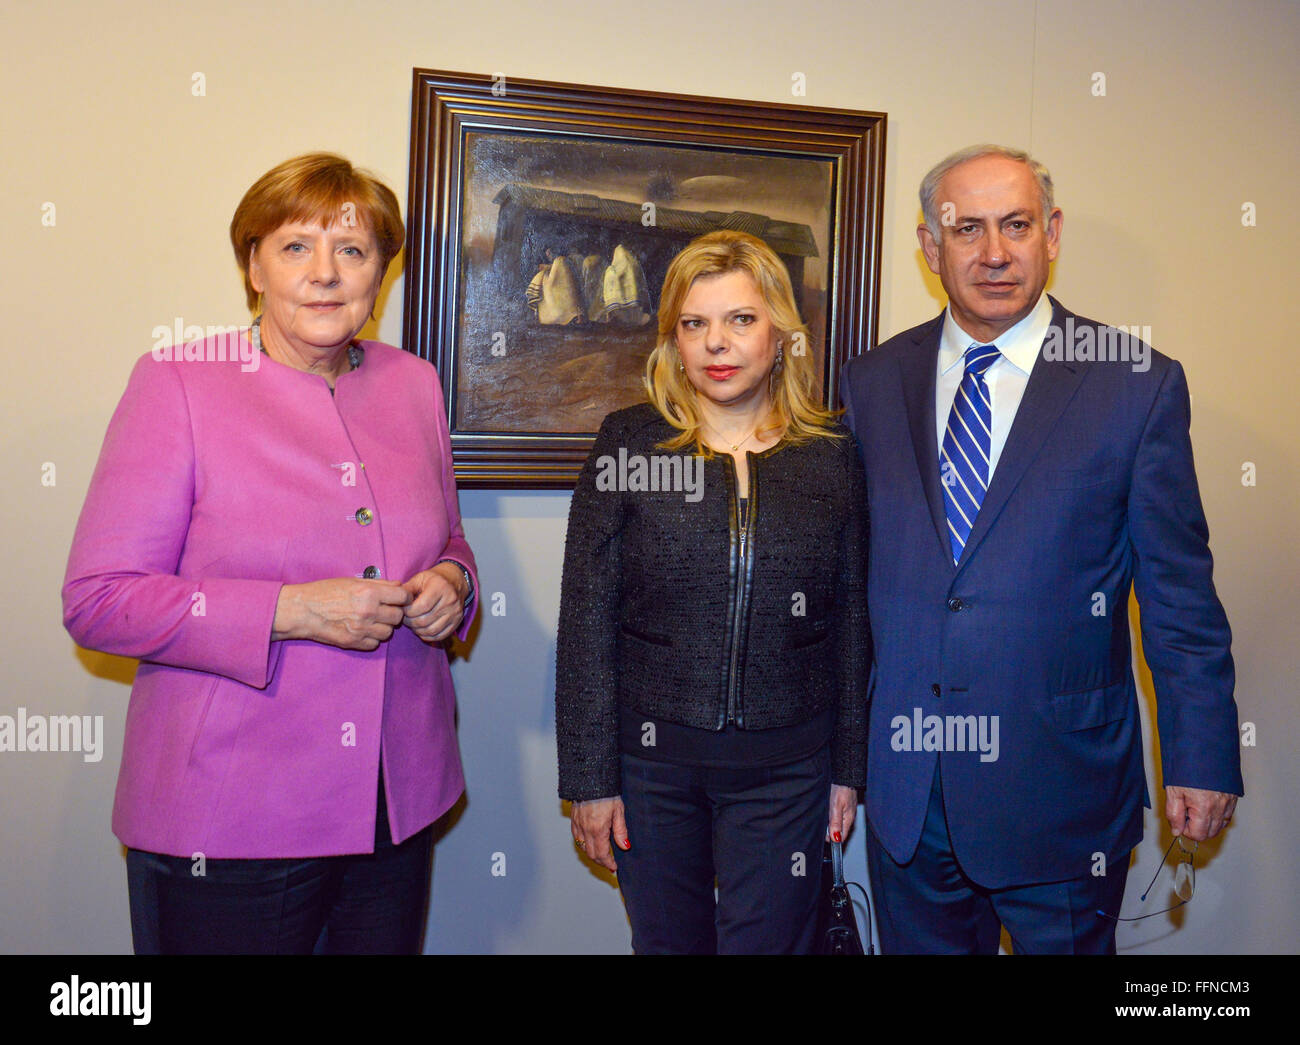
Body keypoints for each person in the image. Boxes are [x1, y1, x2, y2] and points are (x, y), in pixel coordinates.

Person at [62, 153, 478, 954]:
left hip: (394, 805)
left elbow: (446, 535)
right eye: (295, 247)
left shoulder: (413, 383)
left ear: (381, 274)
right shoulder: (178, 381)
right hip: (228, 816)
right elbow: (99, 598)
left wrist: (453, 581)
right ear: (253, 265)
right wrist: (291, 609)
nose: (325, 274)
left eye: (352, 251)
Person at [840, 144, 1242, 954]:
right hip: (909, 794)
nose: (994, 252)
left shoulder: (1137, 382)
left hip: (1061, 791)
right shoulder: (871, 381)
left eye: (1016, 225)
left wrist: (1200, 756)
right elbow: (847, 589)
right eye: (967, 229)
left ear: (1051, 234)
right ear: (929, 247)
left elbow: (1180, 597)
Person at [555, 229, 869, 954]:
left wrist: (847, 767)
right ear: (673, 341)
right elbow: (586, 618)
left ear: (781, 333)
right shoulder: (629, 445)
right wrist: (590, 778)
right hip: (651, 767)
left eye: (741, 320)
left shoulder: (831, 456)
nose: (716, 344)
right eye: (694, 324)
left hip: (787, 770)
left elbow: (853, 619)